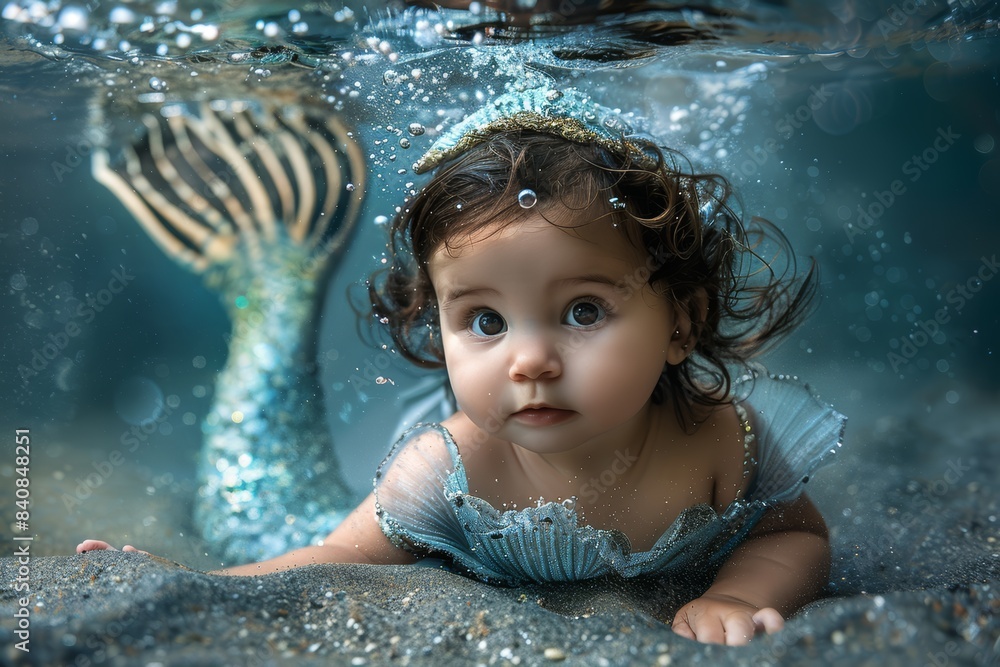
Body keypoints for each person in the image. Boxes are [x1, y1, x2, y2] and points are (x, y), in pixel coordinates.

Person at [78, 86, 846, 646]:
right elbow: (337, 554)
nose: (531, 359)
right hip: (303, 512)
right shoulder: (450, 470)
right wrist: (193, 580)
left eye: (584, 310)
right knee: (247, 507)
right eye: (486, 321)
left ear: (682, 321)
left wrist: (740, 593)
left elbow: (796, 536)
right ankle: (272, 267)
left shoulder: (720, 440)